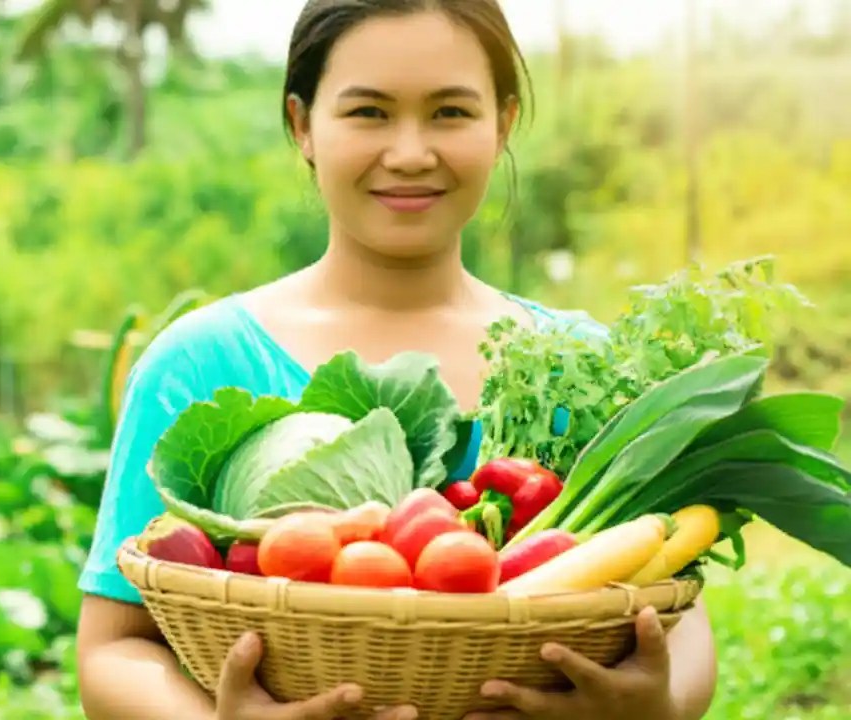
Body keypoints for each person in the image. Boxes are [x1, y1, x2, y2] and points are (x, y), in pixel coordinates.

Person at [74, 1, 719, 719]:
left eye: (449, 112)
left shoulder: (586, 368)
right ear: (301, 125)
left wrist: (659, 704)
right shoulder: (198, 364)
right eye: (369, 113)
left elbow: (681, 614)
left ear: (502, 124)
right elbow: (113, 649)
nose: (411, 153)